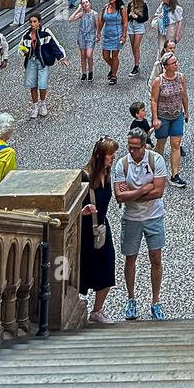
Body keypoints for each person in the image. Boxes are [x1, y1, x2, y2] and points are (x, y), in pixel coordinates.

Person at [113, 129, 168, 321]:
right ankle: (131, 299)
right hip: (131, 218)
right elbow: (119, 196)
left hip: (153, 216)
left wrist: (133, 193)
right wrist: (145, 188)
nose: (132, 151)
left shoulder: (156, 160)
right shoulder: (122, 164)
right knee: (130, 258)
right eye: (130, 147)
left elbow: (159, 191)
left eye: (136, 148)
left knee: (156, 259)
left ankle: (155, 301)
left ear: (144, 146)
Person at [81, 136, 118, 324]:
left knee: (107, 266)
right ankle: (76, 306)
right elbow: (71, 207)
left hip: (102, 227)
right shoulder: (84, 176)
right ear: (99, 156)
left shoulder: (107, 173)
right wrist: (82, 212)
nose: (113, 158)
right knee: (81, 269)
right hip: (84, 230)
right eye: (110, 155)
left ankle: (97, 310)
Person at [150, 51, 189, 189]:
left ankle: (175, 175)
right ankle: (154, 170)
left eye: (176, 62)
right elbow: (154, 100)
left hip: (177, 114)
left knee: (176, 144)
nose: (176, 64)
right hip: (163, 116)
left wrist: (186, 111)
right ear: (166, 66)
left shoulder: (181, 77)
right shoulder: (158, 81)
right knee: (160, 143)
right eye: (173, 63)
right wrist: (155, 118)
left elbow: (184, 94)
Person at [20, 10, 64, 118]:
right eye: (31, 22)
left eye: (35, 21)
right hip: (31, 61)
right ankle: (35, 105)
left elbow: (54, 44)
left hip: (42, 62)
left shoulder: (45, 32)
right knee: (32, 85)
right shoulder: (26, 35)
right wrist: (24, 52)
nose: (33, 24)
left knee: (42, 84)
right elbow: (21, 48)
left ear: (39, 22)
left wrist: (60, 57)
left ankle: (43, 103)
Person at [97, 0, 127, 86]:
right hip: (107, 35)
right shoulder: (106, 7)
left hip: (117, 35)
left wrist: (124, 36)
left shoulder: (121, 8)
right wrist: (98, 32)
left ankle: (114, 75)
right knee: (105, 56)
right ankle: (114, 67)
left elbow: (125, 23)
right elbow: (102, 20)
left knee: (114, 56)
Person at [70, 0, 98, 81]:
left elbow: (97, 26)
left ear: (90, 3)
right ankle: (84, 72)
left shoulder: (94, 14)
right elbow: (71, 19)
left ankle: (90, 71)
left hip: (91, 36)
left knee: (89, 55)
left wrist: (97, 35)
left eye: (86, 2)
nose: (85, 4)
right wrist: (78, 9)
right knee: (82, 55)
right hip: (82, 35)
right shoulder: (82, 14)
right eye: (83, 3)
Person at [127, 0, 149, 76]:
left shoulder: (143, 5)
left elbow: (145, 18)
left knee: (136, 46)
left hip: (139, 26)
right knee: (133, 47)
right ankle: (136, 61)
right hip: (131, 26)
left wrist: (137, 17)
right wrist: (129, 16)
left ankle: (136, 66)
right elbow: (127, 17)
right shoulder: (130, 4)